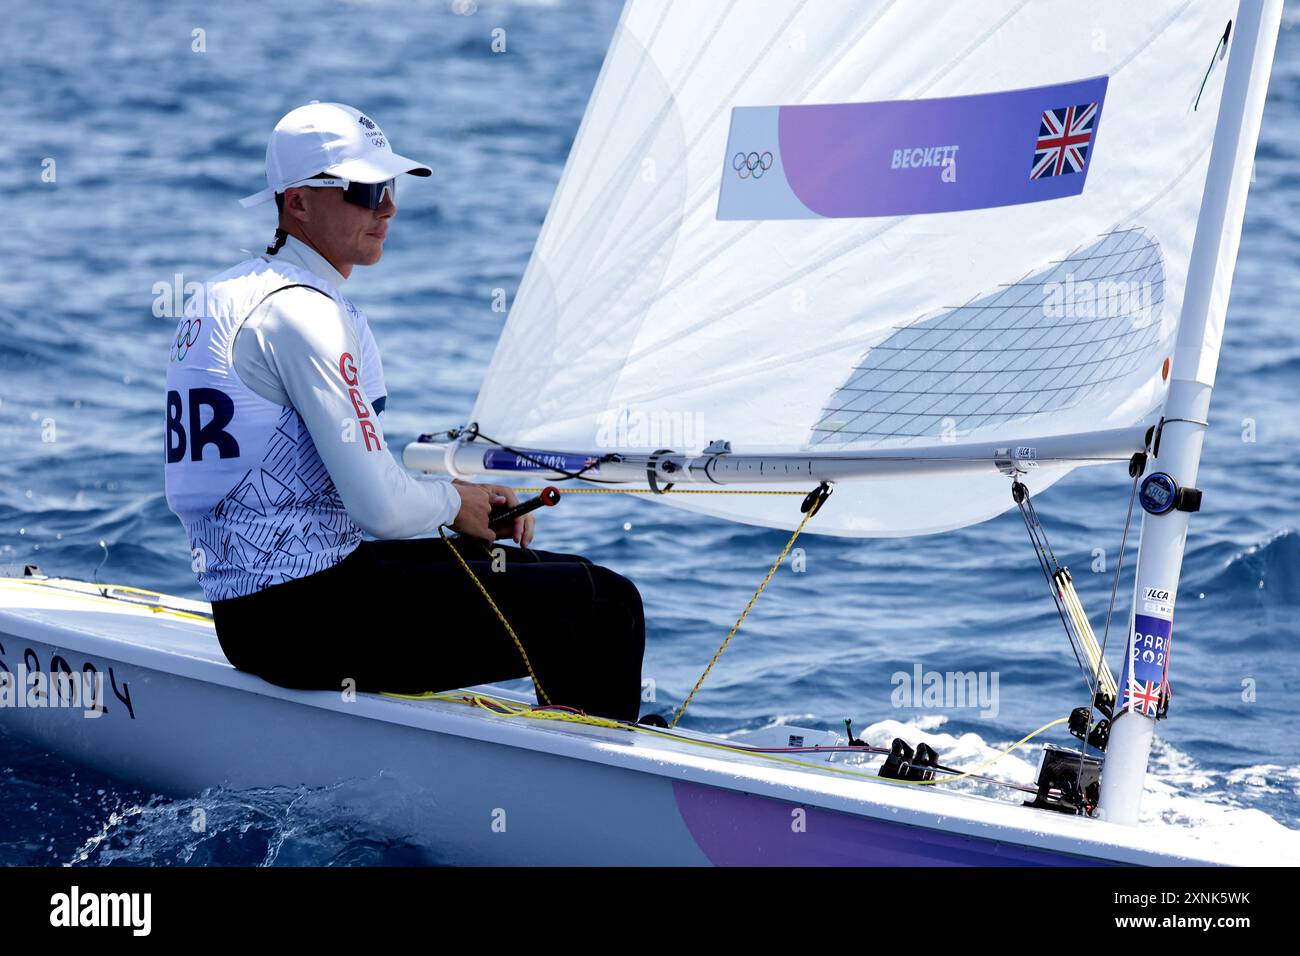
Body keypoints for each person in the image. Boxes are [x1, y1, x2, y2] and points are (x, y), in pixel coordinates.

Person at [163, 102, 645, 722]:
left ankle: (570, 740)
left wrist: (461, 505)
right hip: (303, 621)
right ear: (297, 202)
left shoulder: (221, 295)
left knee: (544, 571)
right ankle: (595, 790)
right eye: (363, 190)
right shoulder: (303, 312)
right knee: (603, 605)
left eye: (388, 188)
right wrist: (454, 503)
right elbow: (380, 509)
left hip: (257, 608)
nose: (386, 208)